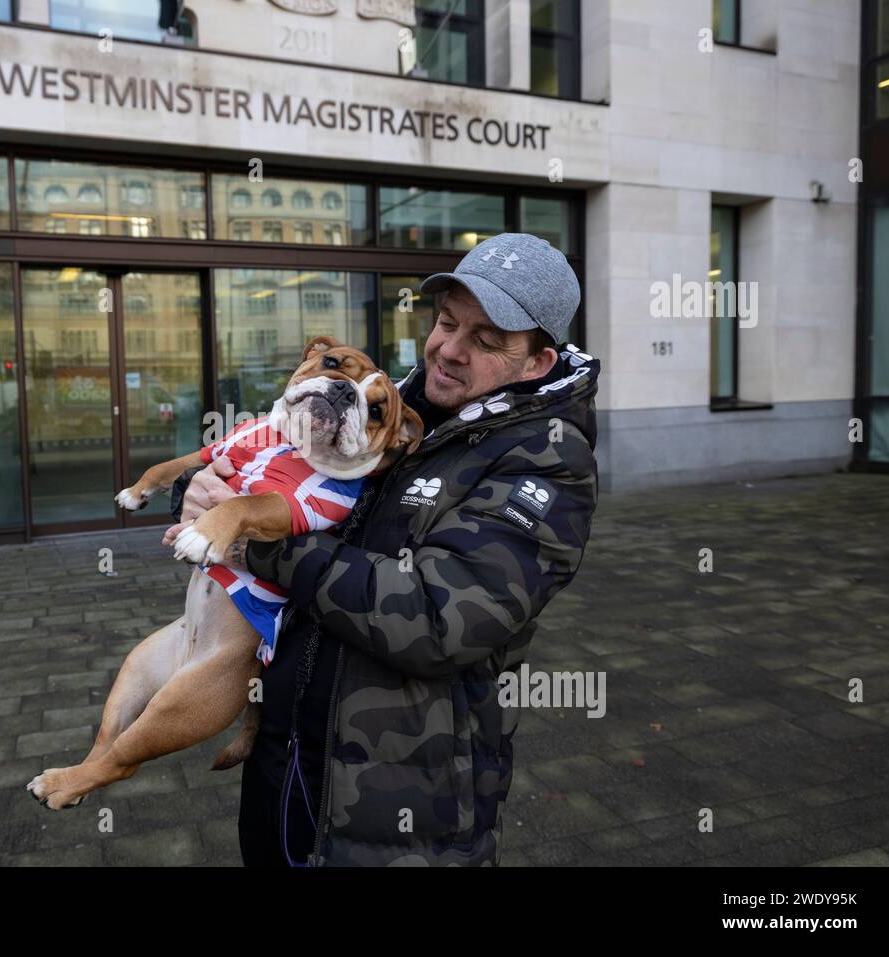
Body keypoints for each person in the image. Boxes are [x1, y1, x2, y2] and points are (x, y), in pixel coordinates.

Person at [167, 232, 601, 866]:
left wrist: (252, 539)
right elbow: (264, 455)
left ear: (536, 362)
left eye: (484, 341)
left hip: (397, 799)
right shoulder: (386, 406)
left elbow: (436, 617)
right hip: (284, 749)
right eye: (446, 322)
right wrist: (202, 489)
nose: (448, 352)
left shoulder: (548, 459)